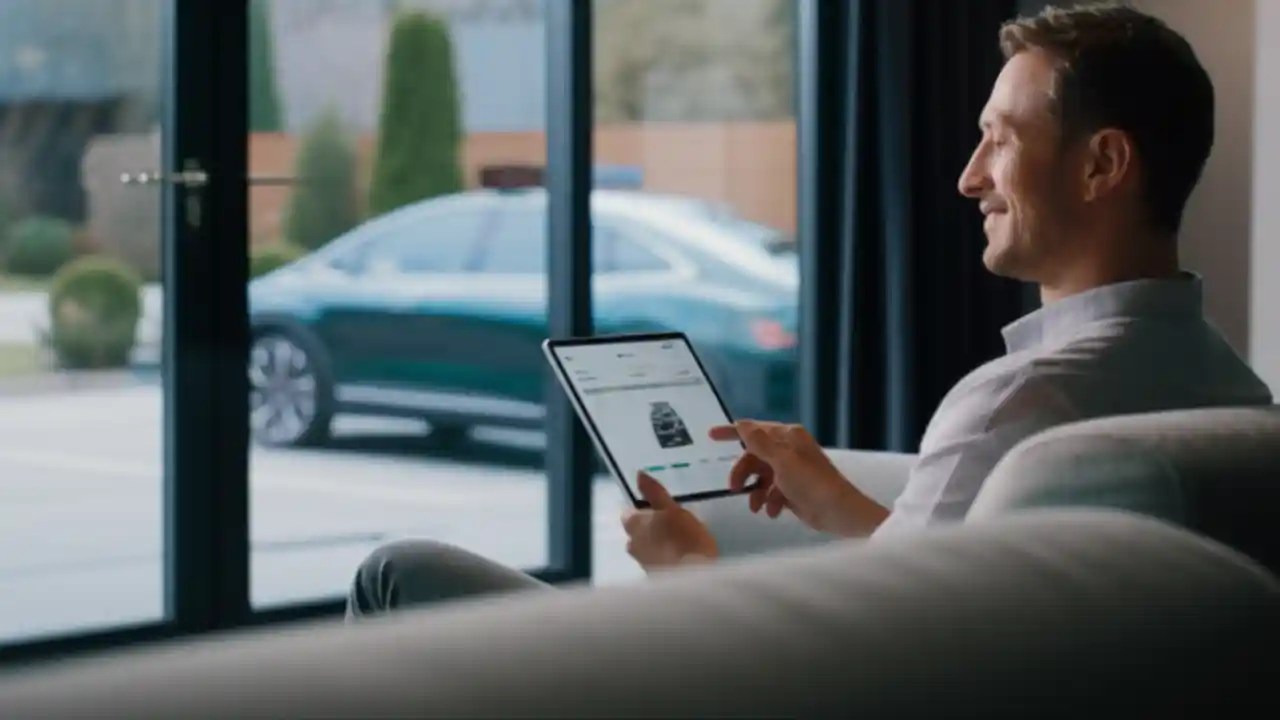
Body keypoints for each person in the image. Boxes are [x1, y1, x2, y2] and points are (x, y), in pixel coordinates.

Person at [346, 2, 1273, 618]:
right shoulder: (1235, 396)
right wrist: (838, 506)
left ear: (1102, 165)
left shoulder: (1020, 406)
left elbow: (862, 668)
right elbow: (955, 593)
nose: (968, 177)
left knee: (399, 573)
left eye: (1000, 140)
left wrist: (688, 582)